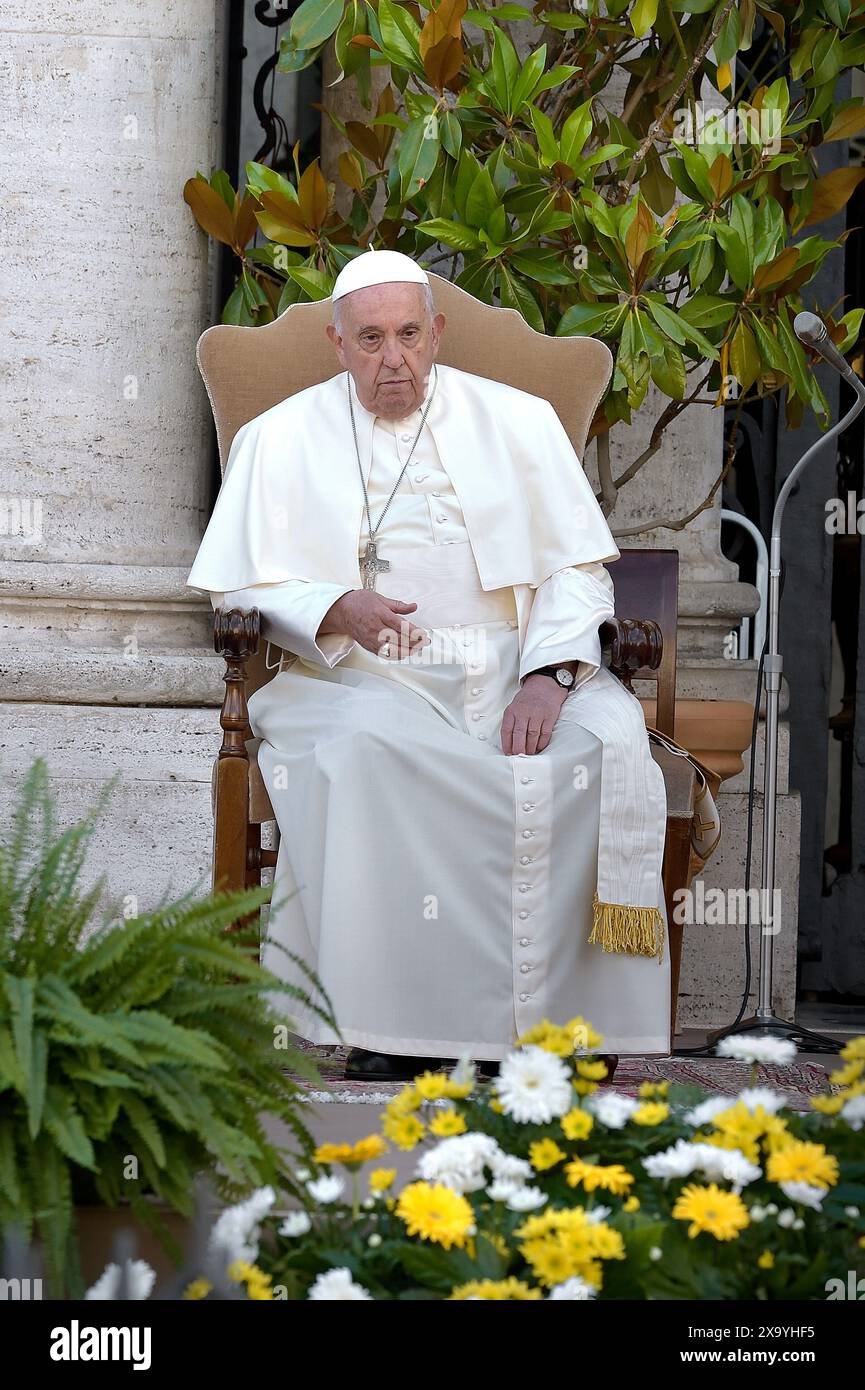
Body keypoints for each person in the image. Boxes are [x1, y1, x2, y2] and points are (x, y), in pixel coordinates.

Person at [187, 249, 670, 1080]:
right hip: (357, 677)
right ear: (337, 345)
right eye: (369, 340)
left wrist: (548, 676)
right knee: (367, 756)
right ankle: (399, 1030)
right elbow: (236, 583)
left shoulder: (517, 422)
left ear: (436, 332)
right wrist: (333, 606)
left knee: (595, 753)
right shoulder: (281, 437)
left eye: (408, 334)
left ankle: (563, 1034)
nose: (393, 359)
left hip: (514, 660)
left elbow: (576, 570)